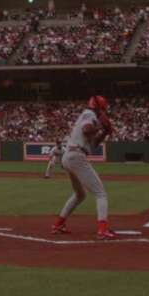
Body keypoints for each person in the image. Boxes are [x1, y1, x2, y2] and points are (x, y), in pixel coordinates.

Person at [51, 95, 118, 240]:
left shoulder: (89, 115)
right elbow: (88, 130)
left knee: (80, 194)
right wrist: (102, 126)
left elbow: (92, 145)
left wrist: (105, 132)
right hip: (76, 156)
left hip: (70, 156)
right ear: (99, 107)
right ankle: (102, 230)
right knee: (101, 194)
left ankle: (58, 224)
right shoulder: (90, 114)